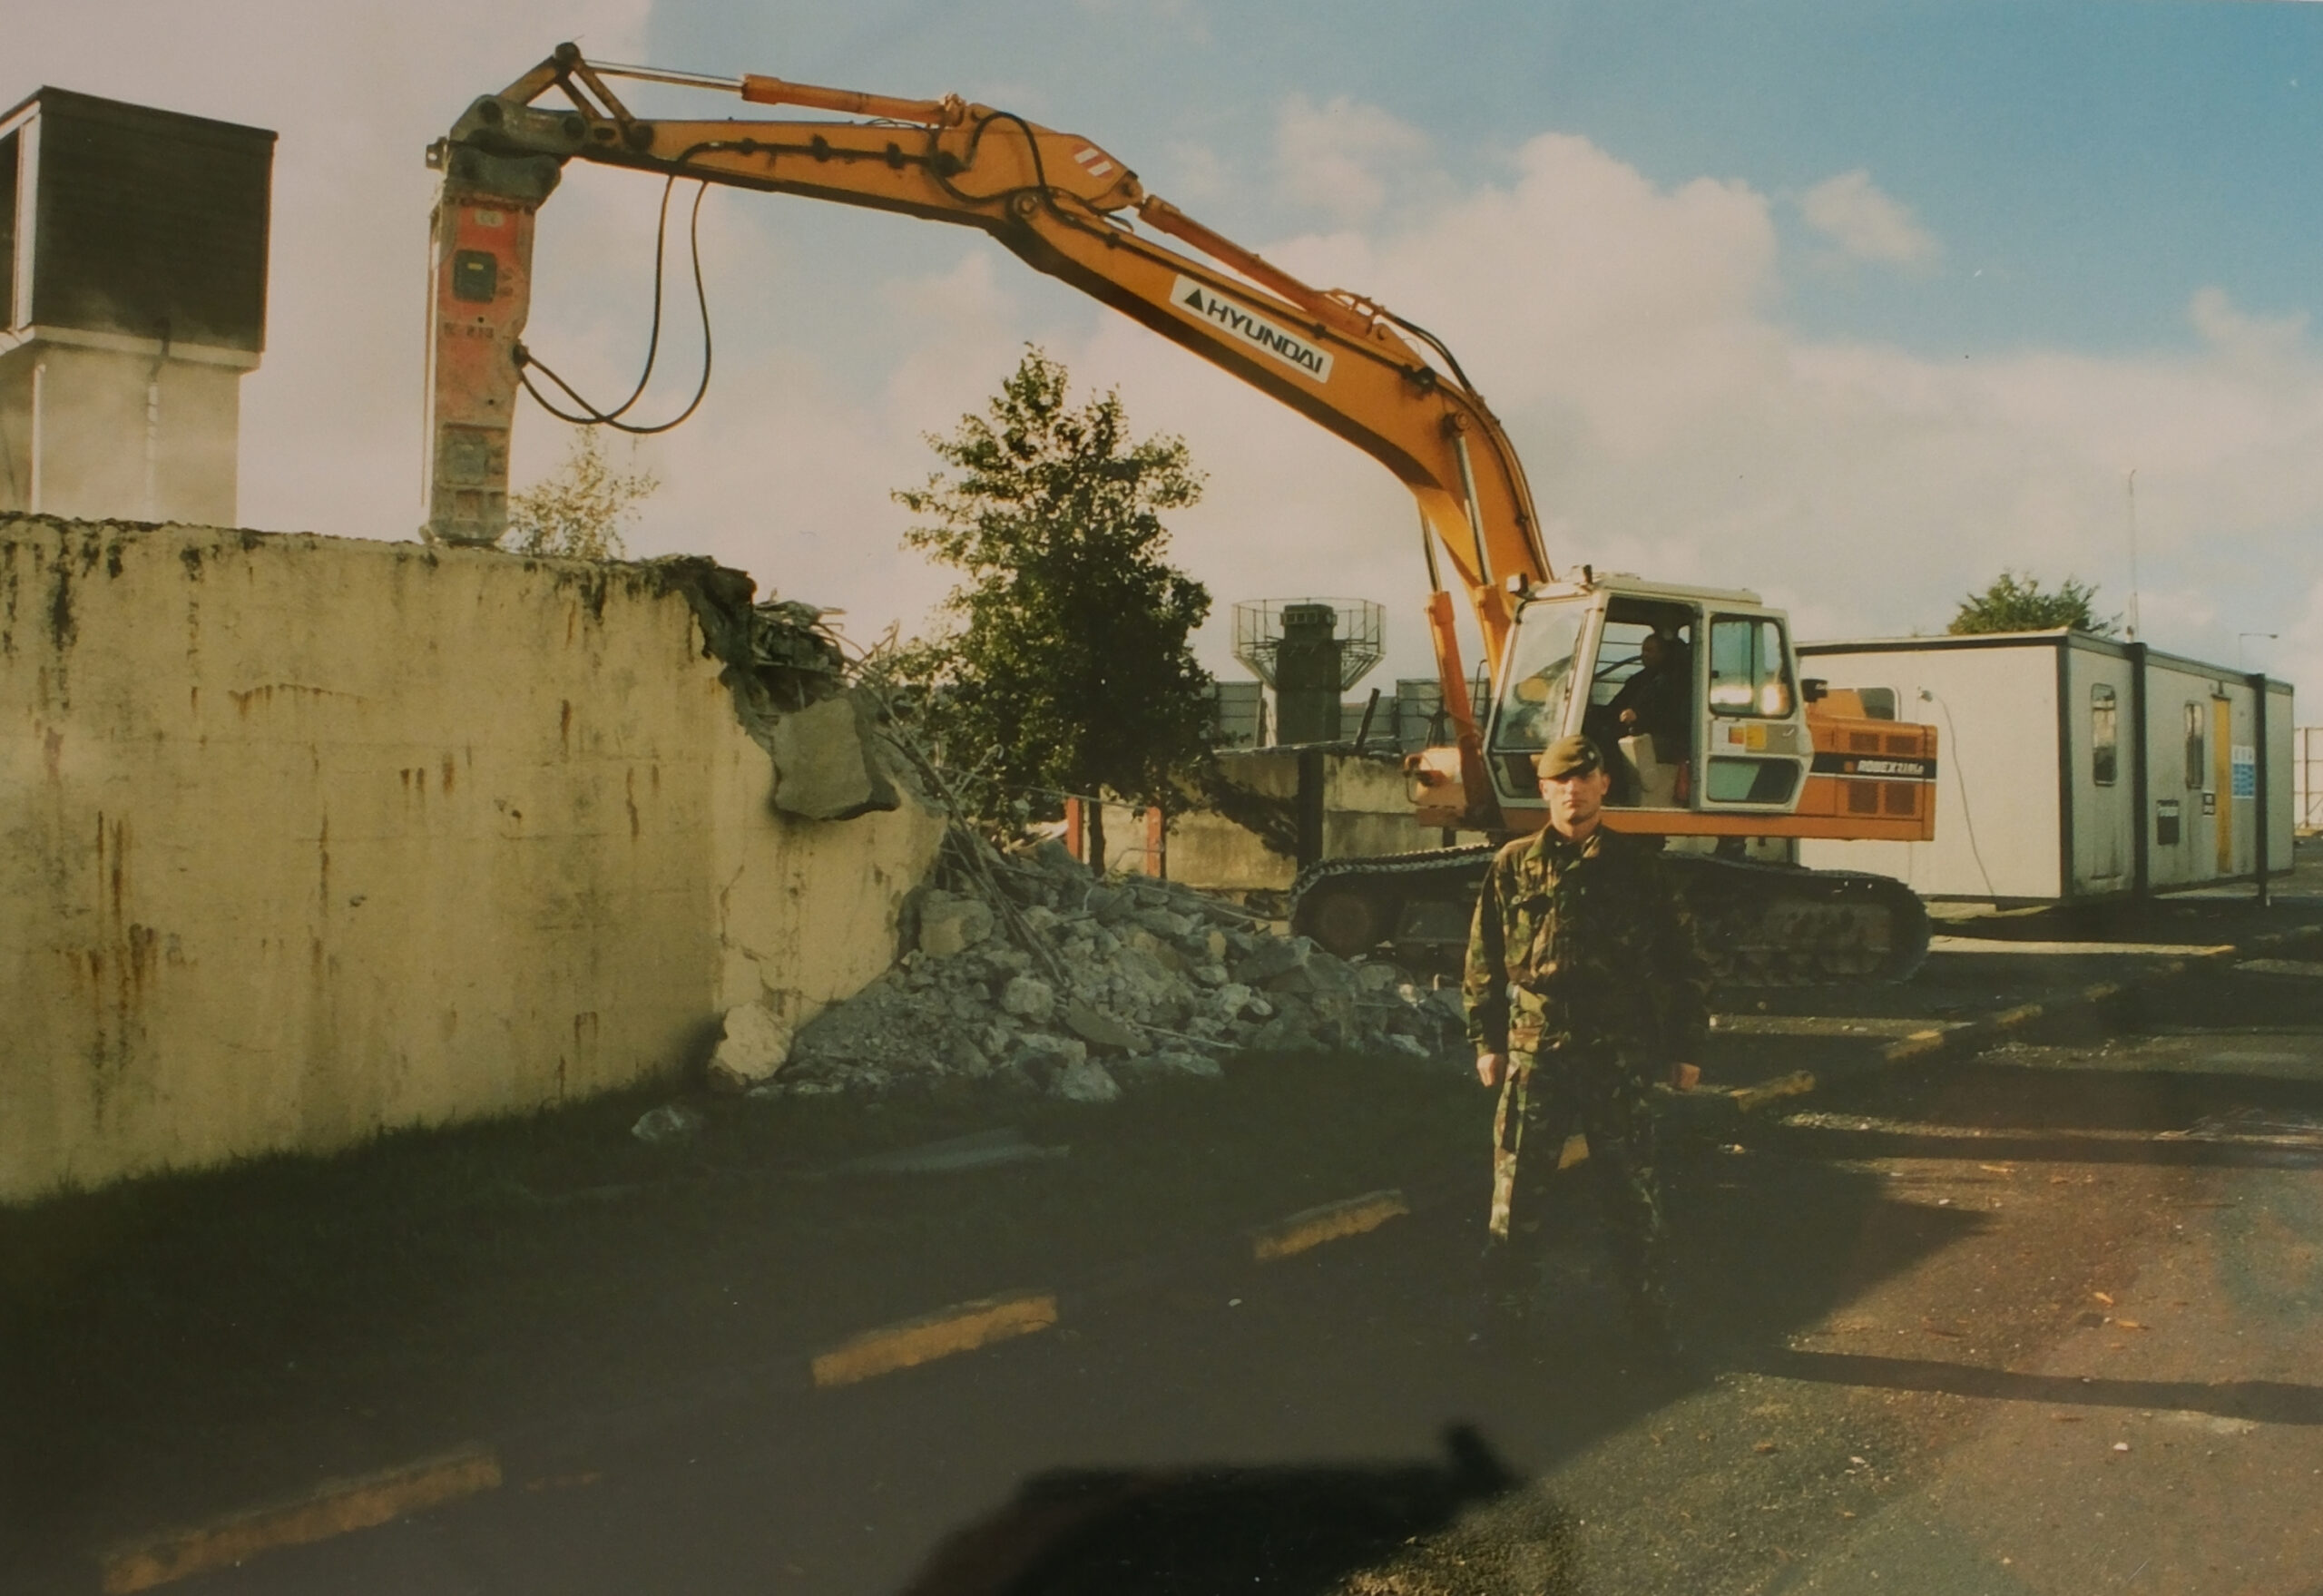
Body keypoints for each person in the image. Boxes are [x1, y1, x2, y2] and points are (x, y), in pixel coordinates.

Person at [1463, 733, 1710, 1360]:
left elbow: (1683, 960)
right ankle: (1503, 1326)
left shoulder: (1639, 868)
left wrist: (1686, 1045)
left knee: (1633, 1194)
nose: (1573, 789)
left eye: (1585, 778)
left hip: (1615, 1055)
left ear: (1604, 784)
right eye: (1560, 780)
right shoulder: (1514, 865)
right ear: (1544, 789)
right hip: (1535, 1052)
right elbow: (1484, 958)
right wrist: (1486, 1040)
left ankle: (1651, 1325)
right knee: (1514, 1196)